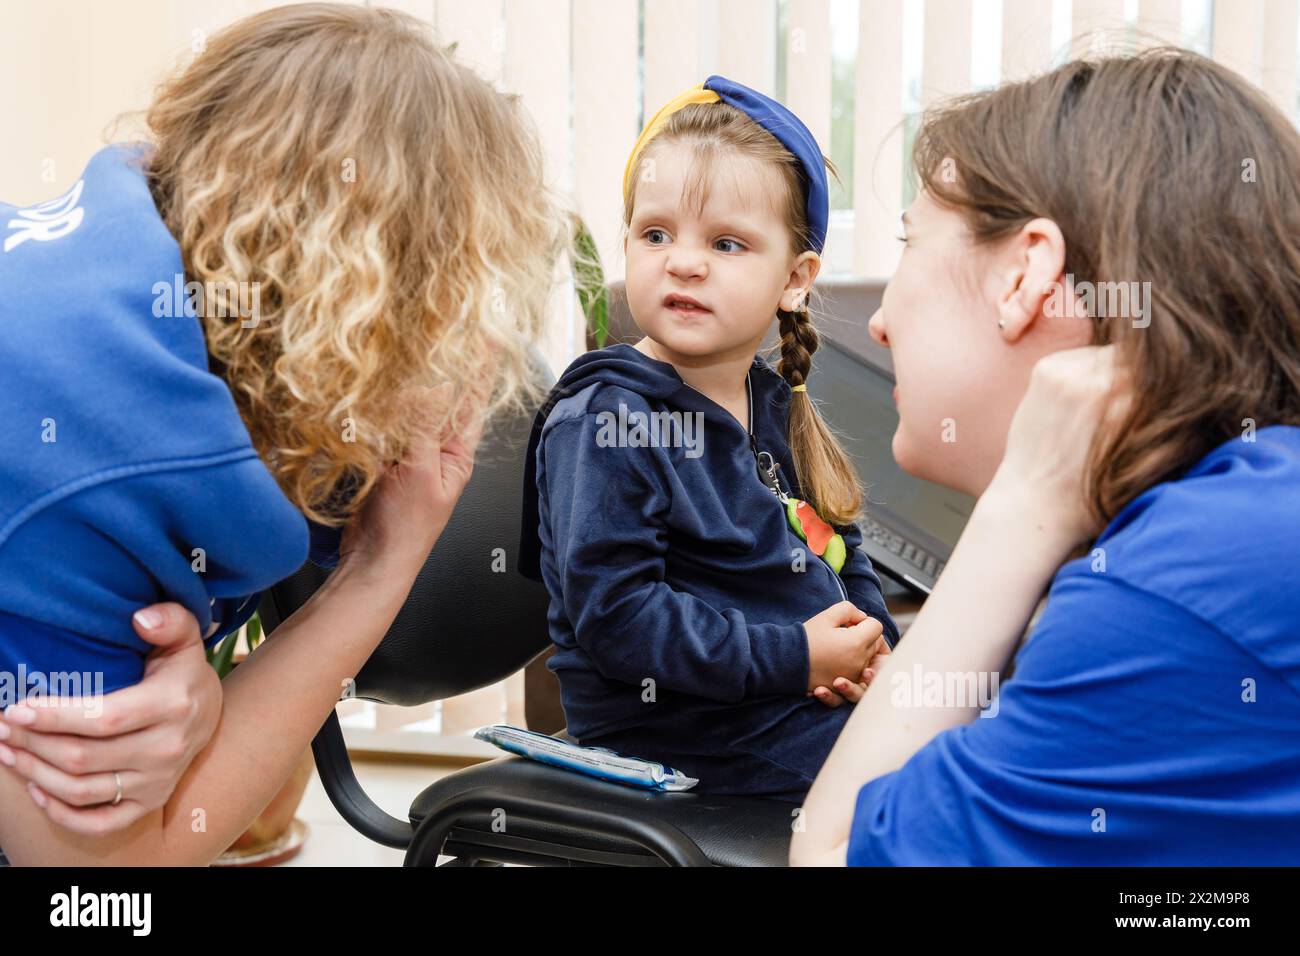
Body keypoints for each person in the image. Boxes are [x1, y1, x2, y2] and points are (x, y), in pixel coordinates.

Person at [0, 2, 566, 864]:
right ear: (360, 292)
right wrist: (389, 563)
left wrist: (199, 699)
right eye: (441, 294)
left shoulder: (133, 266)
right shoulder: (93, 445)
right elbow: (101, 882)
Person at [791, 49, 1300, 865]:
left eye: (908, 242)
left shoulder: (1185, 573)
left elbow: (836, 851)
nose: (880, 321)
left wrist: (1023, 506)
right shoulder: (1241, 509)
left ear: (1028, 272)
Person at [518, 77, 895, 802]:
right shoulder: (605, 420)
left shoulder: (772, 404)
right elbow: (620, 623)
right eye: (655, 234)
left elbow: (841, 552)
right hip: (682, 742)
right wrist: (797, 658)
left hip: (778, 707)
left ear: (795, 279)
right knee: (930, 773)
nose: (684, 261)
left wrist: (874, 651)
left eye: (726, 243)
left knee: (971, 728)